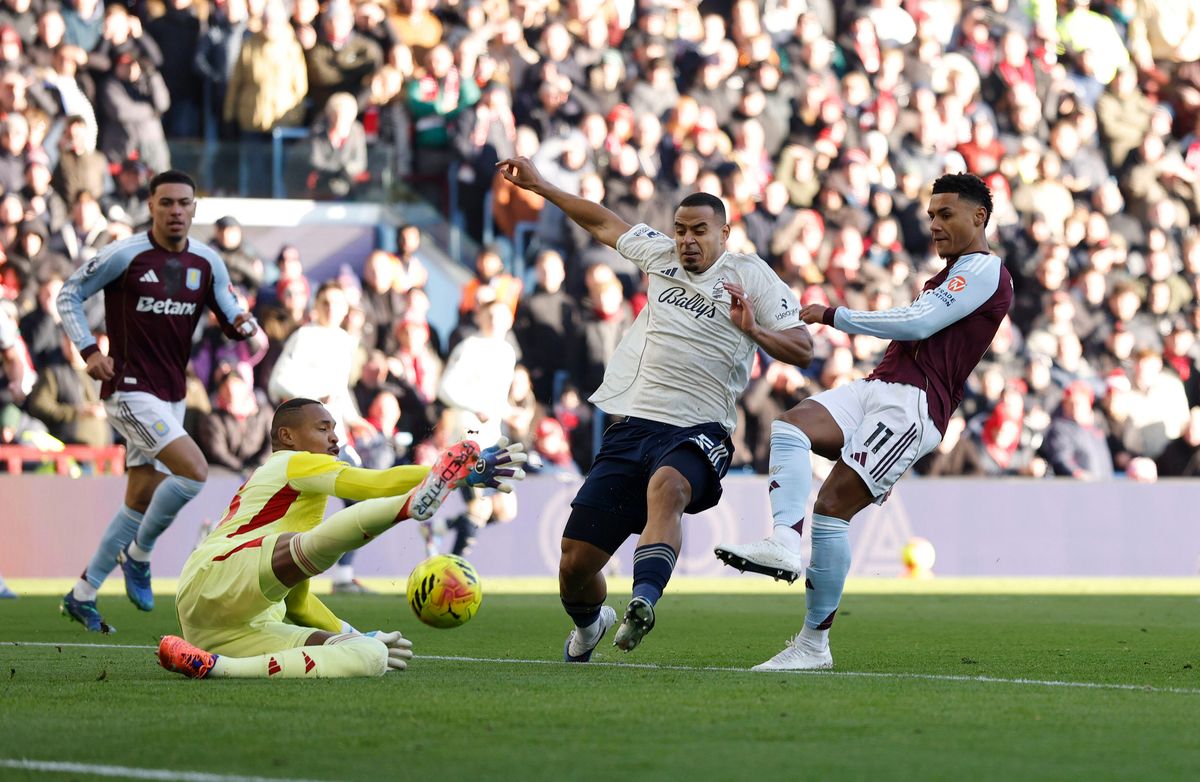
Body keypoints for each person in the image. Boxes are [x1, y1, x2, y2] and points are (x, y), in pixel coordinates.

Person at [495, 156, 812, 660]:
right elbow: (602, 221)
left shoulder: (751, 276)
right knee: (575, 565)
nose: (687, 240)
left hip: (700, 427)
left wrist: (754, 330)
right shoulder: (659, 256)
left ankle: (643, 600)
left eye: (699, 231)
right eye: (680, 230)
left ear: (725, 234)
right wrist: (541, 186)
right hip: (634, 425)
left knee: (670, 488)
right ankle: (592, 622)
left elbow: (803, 347)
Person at [714, 173, 1013, 671]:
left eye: (945, 215)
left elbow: (917, 323)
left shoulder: (984, 271)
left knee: (832, 510)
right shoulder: (950, 275)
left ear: (978, 216)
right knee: (790, 427)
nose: (934, 225)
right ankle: (786, 543)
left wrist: (835, 315)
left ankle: (813, 645)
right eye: (930, 216)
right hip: (878, 386)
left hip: (914, 406)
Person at [157, 398, 526, 680]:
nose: (335, 436)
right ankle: (410, 506)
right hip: (218, 573)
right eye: (322, 428)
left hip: (233, 626)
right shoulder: (291, 462)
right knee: (311, 545)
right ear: (287, 436)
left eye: (335, 428)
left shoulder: (301, 496)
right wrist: (454, 475)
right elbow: (371, 483)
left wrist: (355, 634)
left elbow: (298, 602)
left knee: (371, 657)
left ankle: (215, 667)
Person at [56, 169, 261, 634]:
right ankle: (140, 554)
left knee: (140, 497)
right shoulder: (125, 254)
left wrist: (246, 324)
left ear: (194, 209)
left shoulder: (208, 262)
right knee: (194, 471)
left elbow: (229, 315)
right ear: (150, 206)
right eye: (165, 202)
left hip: (172, 393)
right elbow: (69, 294)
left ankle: (83, 594)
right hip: (128, 388)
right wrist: (89, 349)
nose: (175, 211)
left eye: (183, 203)